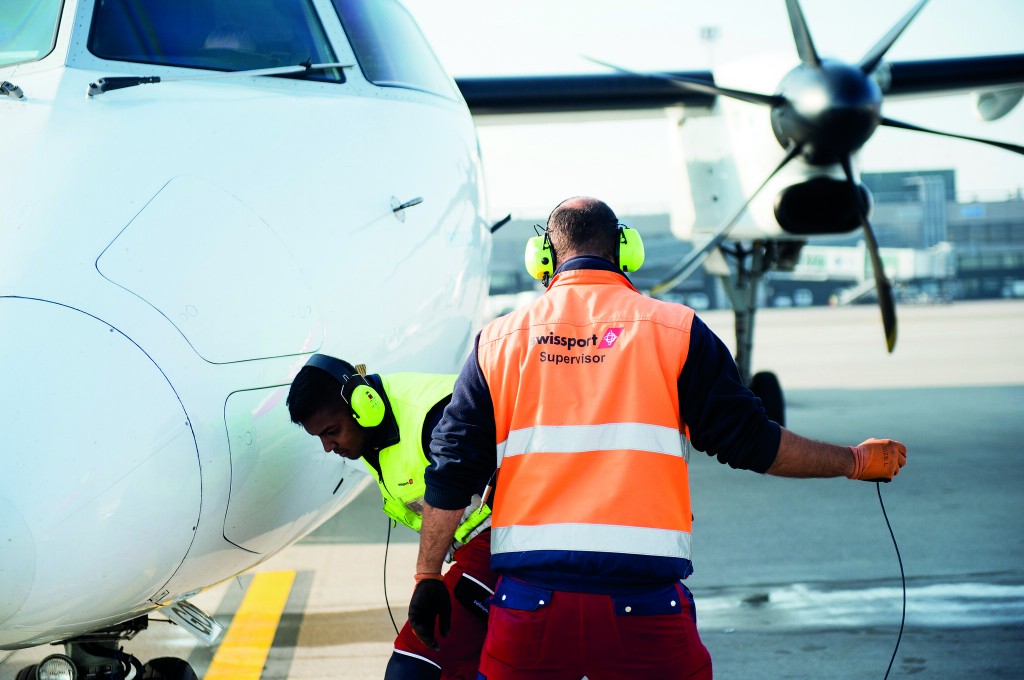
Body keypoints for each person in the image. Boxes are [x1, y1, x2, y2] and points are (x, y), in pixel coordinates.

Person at [408, 197, 908, 679]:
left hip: (529, 605)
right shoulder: (677, 330)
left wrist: (429, 576)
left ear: (543, 258)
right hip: (645, 605)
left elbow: (452, 471)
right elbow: (753, 443)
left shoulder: (497, 341)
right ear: (627, 251)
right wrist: (854, 460)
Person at [287, 354, 496, 680]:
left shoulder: (434, 417)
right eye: (320, 438)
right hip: (475, 547)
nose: (329, 446)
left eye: (332, 431)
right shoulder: (369, 434)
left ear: (365, 405)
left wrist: (428, 576)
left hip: (506, 539)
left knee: (413, 665)